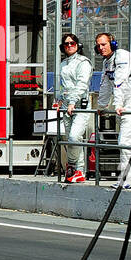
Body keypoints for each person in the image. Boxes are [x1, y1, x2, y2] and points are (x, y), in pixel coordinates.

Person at [95, 32, 131, 189]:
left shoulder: (123, 56)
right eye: (98, 46)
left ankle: (128, 179)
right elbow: (105, 85)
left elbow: (119, 82)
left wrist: (117, 104)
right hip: (123, 106)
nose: (101, 48)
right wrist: (101, 106)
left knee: (125, 142)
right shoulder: (107, 62)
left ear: (113, 44)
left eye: (104, 44)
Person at [54, 33, 92, 183]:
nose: (69, 46)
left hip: (80, 104)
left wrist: (72, 102)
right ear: (62, 47)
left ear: (78, 45)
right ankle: (79, 171)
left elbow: (82, 84)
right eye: (66, 44)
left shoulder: (84, 62)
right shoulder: (63, 64)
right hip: (66, 105)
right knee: (72, 139)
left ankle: (71, 165)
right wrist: (58, 100)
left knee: (74, 136)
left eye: (72, 43)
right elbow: (62, 85)